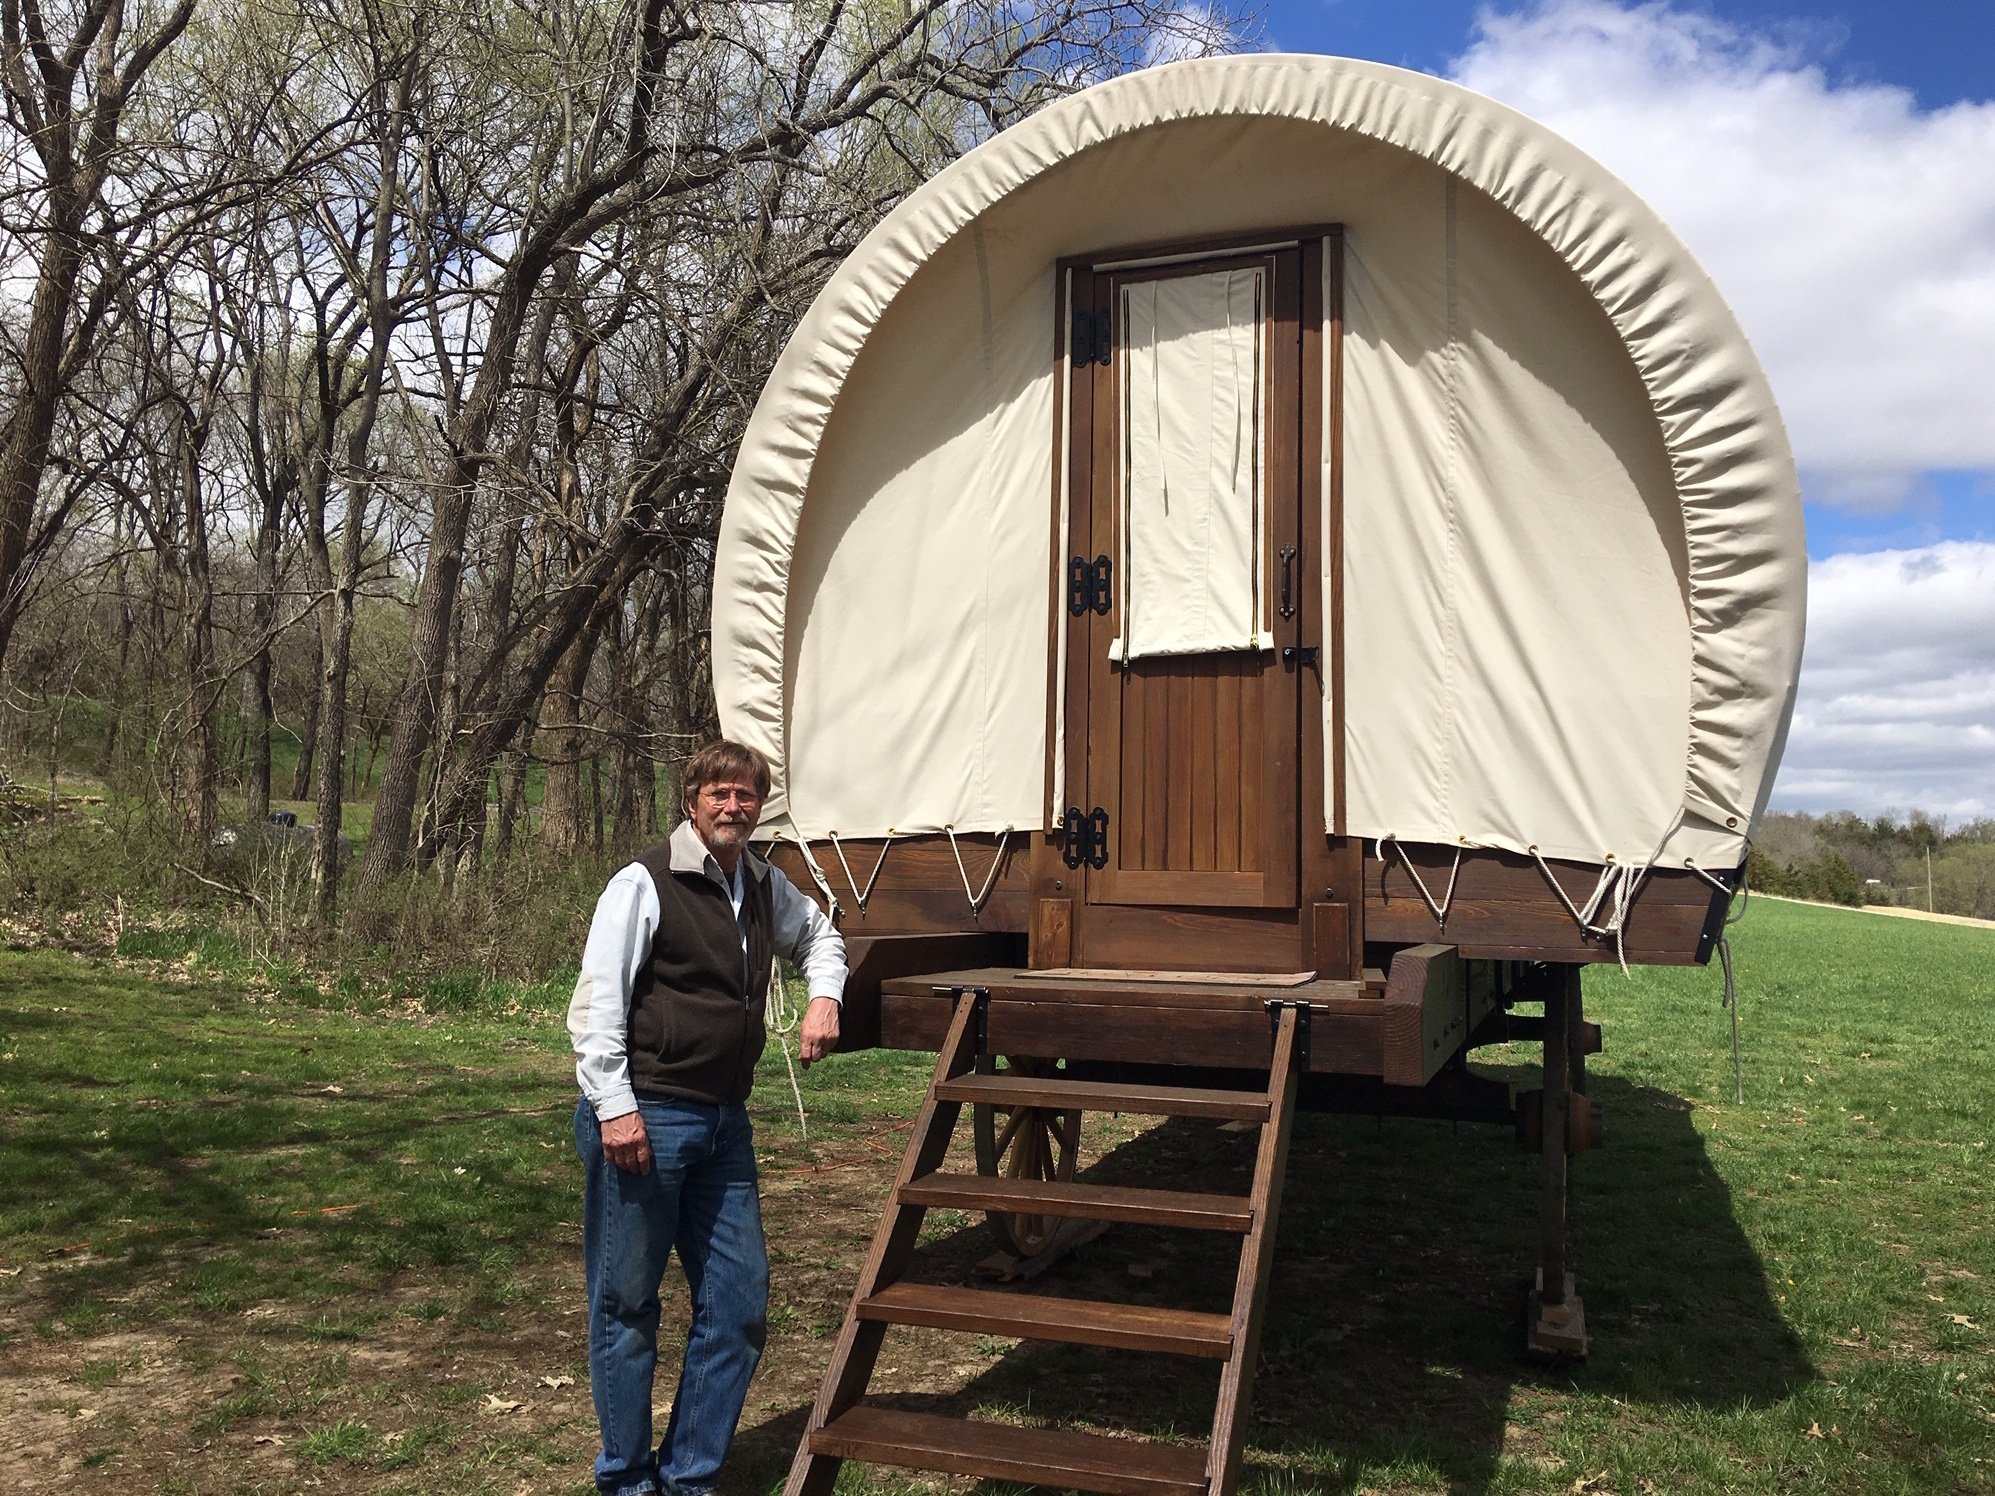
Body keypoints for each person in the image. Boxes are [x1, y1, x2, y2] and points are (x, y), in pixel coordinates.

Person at [568, 738, 845, 1496]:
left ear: (759, 807)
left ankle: (688, 1477)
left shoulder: (761, 883)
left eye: (746, 795)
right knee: (626, 1307)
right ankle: (626, 1479)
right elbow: (597, 1007)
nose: (733, 806)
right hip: (646, 1117)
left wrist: (825, 995)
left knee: (739, 1307)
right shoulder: (644, 881)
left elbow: (821, 936)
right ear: (692, 801)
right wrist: (615, 1109)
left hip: (724, 1123)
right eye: (719, 793)